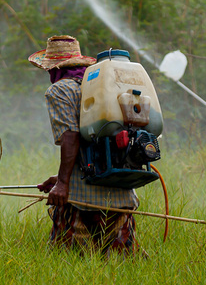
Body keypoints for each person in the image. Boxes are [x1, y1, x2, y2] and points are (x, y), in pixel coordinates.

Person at [29, 35, 140, 255]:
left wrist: (62, 184)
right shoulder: (105, 87)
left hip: (82, 199)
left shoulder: (60, 90)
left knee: (70, 267)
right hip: (121, 192)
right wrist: (62, 177)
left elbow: (71, 136)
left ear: (54, 68)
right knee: (122, 268)